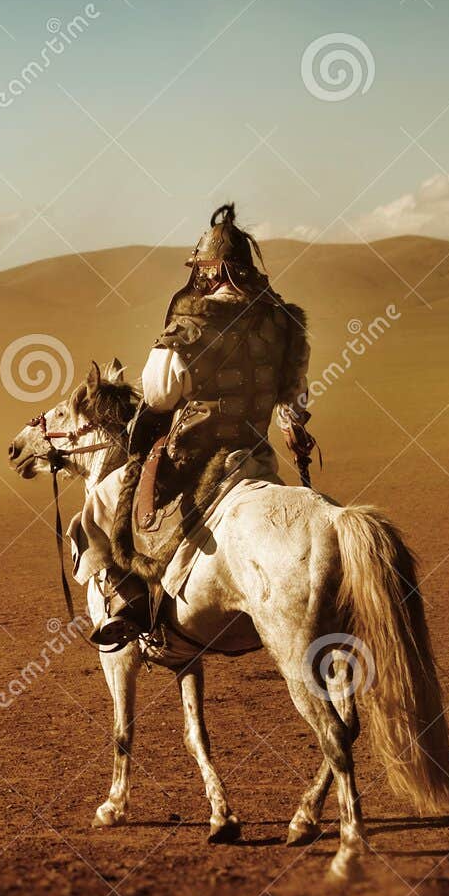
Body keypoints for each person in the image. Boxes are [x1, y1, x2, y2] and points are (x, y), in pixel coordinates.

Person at [71, 203, 315, 650]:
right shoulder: (281, 321)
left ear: (211, 270)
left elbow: (159, 395)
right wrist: (293, 424)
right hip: (254, 456)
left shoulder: (192, 321)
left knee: (105, 498)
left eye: (201, 269)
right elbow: (294, 392)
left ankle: (131, 604)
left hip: (194, 456)